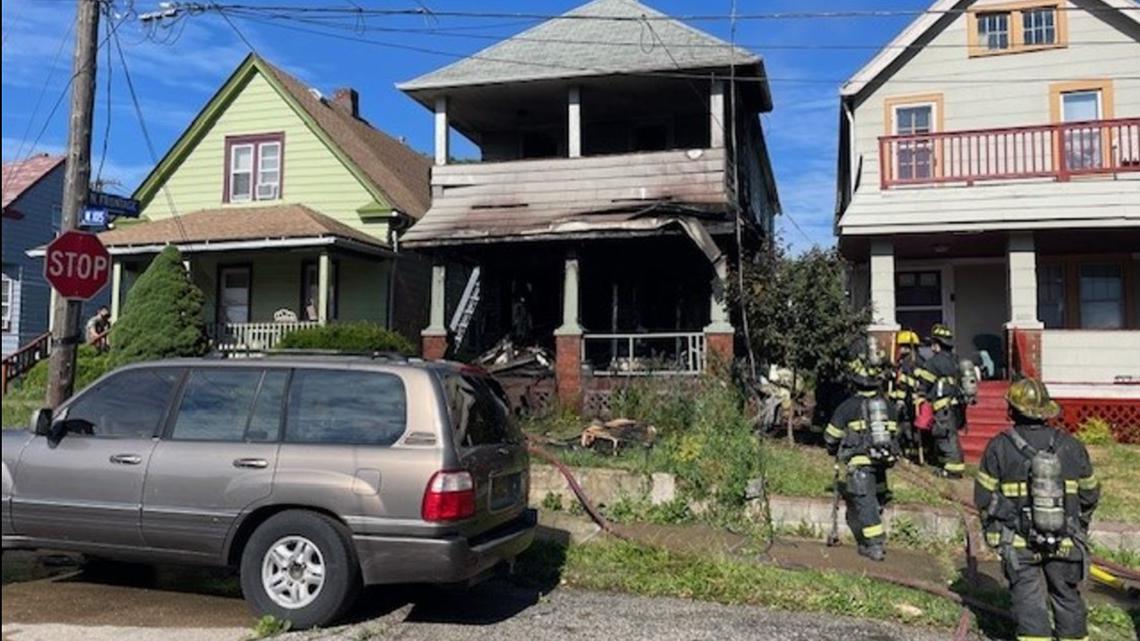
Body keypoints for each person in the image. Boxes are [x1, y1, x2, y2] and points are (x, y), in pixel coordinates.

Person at [974, 378, 1099, 641]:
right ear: (1046, 411)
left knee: (1028, 601)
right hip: (1065, 540)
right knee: (1067, 597)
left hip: (1020, 543)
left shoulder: (999, 447)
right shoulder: (1072, 446)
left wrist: (1013, 523)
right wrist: (1076, 525)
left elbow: (984, 497)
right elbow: (1090, 493)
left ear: (1012, 410)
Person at [824, 340, 900, 561]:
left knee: (864, 503)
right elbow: (895, 434)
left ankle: (874, 546)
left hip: (860, 466)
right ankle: (880, 507)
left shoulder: (847, 406)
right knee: (876, 496)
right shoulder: (889, 406)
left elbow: (831, 436)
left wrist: (833, 449)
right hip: (882, 462)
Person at [913, 324, 966, 478]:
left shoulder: (934, 362)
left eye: (932, 344)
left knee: (945, 436)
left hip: (943, 408)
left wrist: (919, 395)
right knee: (952, 435)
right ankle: (951, 464)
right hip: (956, 406)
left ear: (937, 345)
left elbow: (924, 384)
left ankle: (953, 470)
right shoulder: (955, 360)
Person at [889, 329, 923, 461]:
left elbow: (918, 383)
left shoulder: (916, 362)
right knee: (903, 426)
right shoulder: (902, 361)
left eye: (903, 346)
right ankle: (905, 451)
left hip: (911, 400)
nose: (901, 348)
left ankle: (914, 454)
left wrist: (904, 379)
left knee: (911, 427)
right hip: (901, 400)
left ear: (910, 347)